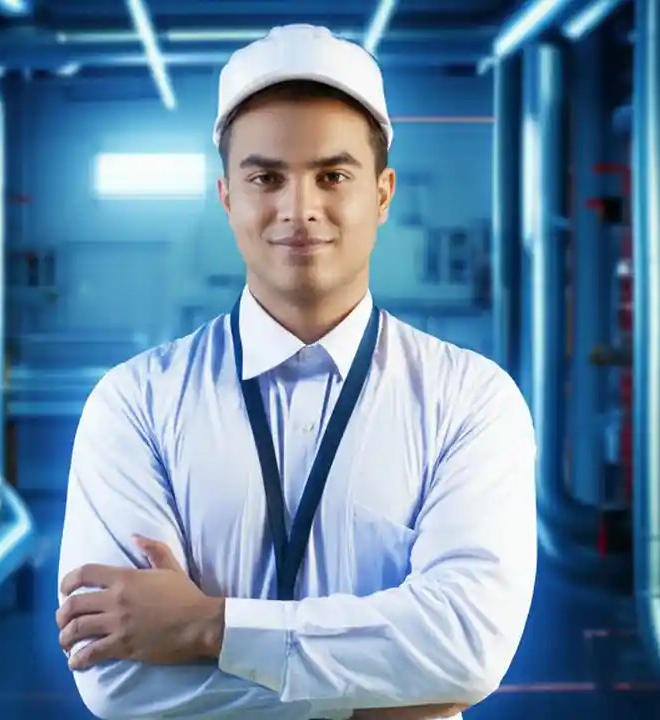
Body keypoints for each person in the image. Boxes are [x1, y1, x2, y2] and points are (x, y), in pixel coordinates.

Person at [54, 23, 537, 720]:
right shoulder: (135, 403)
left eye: (332, 175)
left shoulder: (471, 401)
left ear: (382, 193)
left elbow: (468, 644)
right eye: (266, 177)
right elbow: (120, 682)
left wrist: (205, 627)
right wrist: (394, 700)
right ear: (228, 197)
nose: (299, 207)